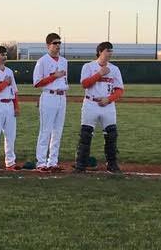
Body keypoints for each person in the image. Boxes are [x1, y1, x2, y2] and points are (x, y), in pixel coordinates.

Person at [76, 41, 124, 174]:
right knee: (86, 134)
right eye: (107, 51)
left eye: (111, 51)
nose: (110, 54)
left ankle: (112, 164)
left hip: (107, 105)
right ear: (100, 52)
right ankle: (81, 164)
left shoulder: (114, 69)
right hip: (90, 103)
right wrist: (100, 74)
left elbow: (120, 90)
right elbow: (85, 84)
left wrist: (109, 99)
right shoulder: (88, 66)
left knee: (111, 134)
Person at [32, 33, 69, 172]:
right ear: (48, 45)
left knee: (58, 131)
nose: (58, 45)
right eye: (55, 43)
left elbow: (64, 81)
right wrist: (53, 76)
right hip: (48, 96)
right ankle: (41, 162)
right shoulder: (42, 61)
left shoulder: (64, 61)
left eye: (59, 43)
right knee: (45, 130)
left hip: (61, 96)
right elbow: (36, 83)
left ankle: (53, 161)